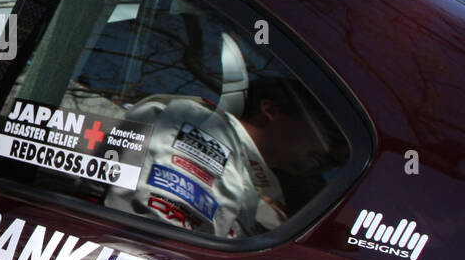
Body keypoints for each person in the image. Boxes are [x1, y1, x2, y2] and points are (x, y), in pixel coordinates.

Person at [106, 76, 344, 238]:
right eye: (328, 135)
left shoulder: (261, 187)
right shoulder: (205, 126)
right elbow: (165, 237)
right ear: (270, 111)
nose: (331, 155)